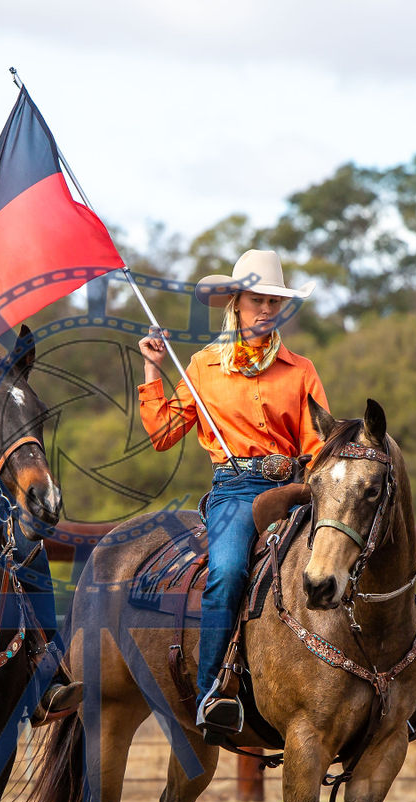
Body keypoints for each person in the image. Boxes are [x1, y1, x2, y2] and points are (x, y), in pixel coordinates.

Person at [137, 249, 327, 735]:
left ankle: (397, 691)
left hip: (296, 488)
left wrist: (310, 479)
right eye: (256, 300)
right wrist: (153, 369)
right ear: (236, 304)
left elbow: (317, 444)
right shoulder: (202, 368)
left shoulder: (300, 369)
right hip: (236, 491)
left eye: (273, 301)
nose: (265, 309)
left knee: (347, 553)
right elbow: (161, 435)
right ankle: (210, 695)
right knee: (227, 570)